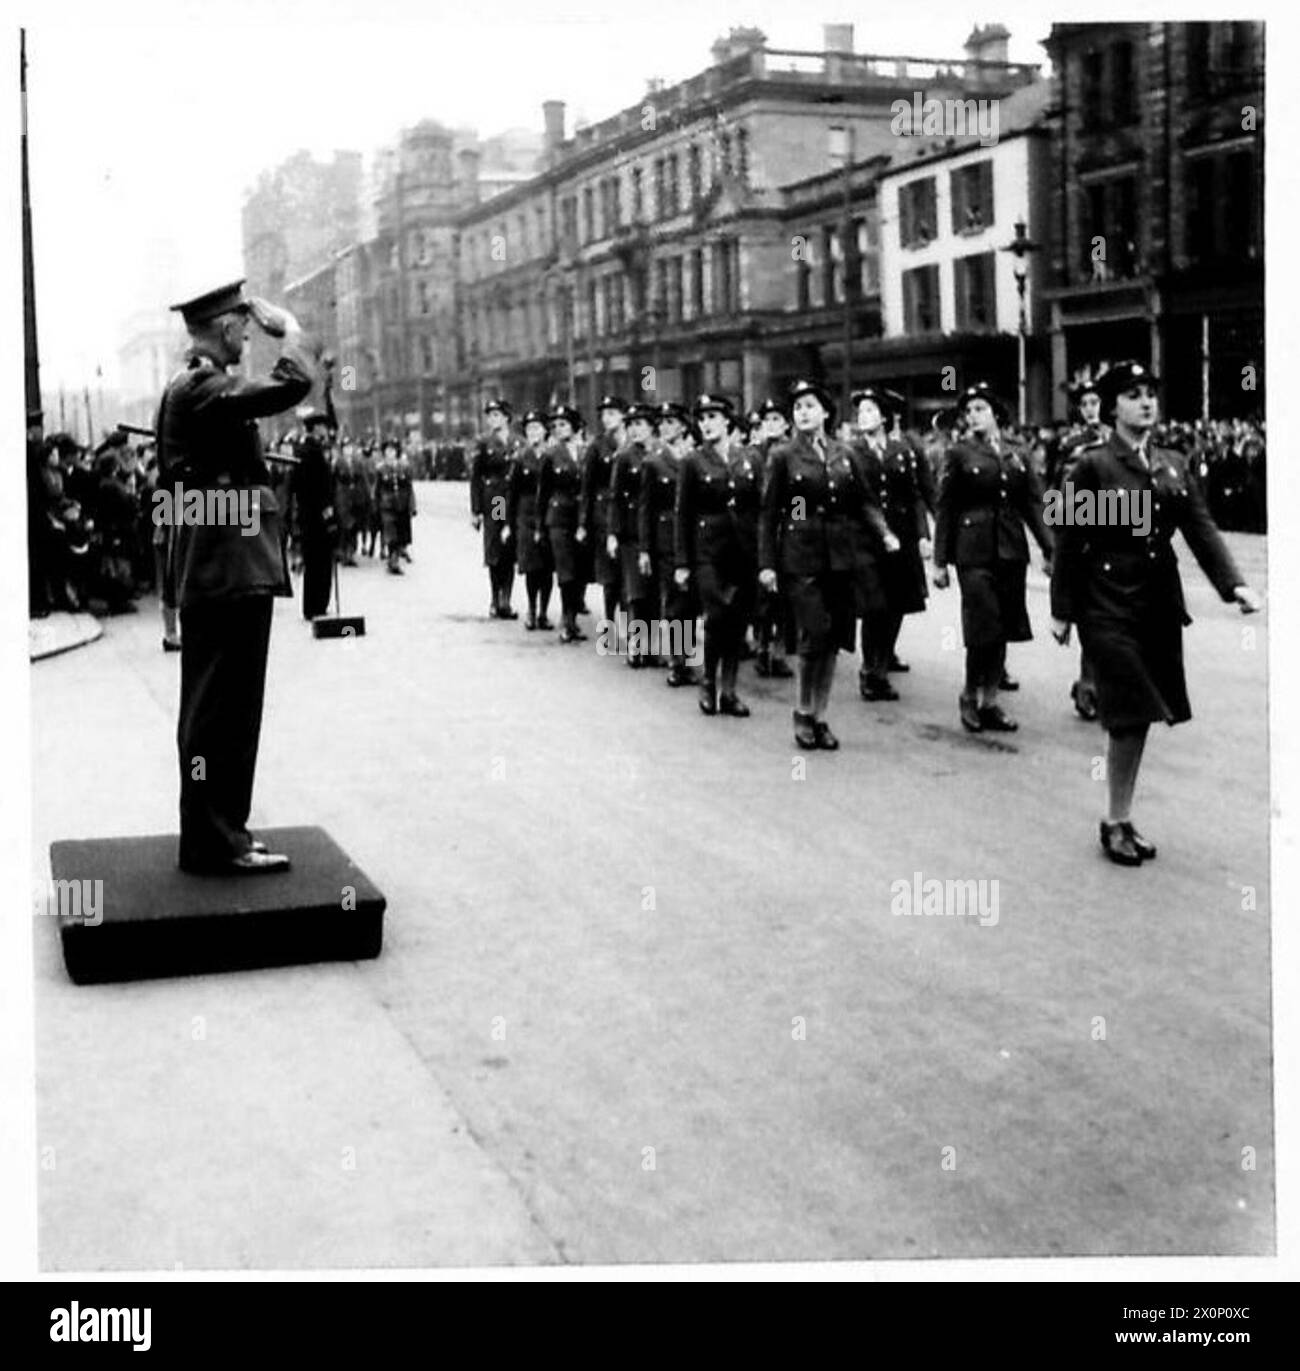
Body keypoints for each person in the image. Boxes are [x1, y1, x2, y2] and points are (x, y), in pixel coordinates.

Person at [1049, 361, 1263, 865]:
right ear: (1112, 407)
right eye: (1132, 394)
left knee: (1141, 716)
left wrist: (1236, 585)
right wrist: (1062, 610)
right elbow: (1069, 540)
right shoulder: (1092, 466)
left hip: (1156, 602)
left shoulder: (1172, 462)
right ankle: (1114, 820)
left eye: (1150, 393)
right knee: (1128, 714)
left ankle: (1121, 817)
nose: (1145, 402)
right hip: (1106, 603)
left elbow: (1201, 528)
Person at [156, 279, 317, 874]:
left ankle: (223, 834)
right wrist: (293, 332)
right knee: (220, 710)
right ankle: (216, 840)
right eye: (243, 329)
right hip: (226, 568)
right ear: (225, 328)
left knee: (223, 708)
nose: (248, 336)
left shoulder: (194, 387)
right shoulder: (202, 386)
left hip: (223, 564)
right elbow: (290, 385)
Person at [760, 379, 898, 749]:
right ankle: (803, 712)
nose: (802, 412)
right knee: (813, 635)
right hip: (801, 558)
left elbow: (864, 501)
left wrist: (884, 532)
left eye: (809, 406)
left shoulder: (844, 454)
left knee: (834, 639)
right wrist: (767, 564)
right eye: (797, 407)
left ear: (825, 412)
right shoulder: (783, 456)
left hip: (840, 557)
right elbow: (770, 515)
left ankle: (821, 716)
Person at [932, 381, 1052, 734]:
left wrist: (1050, 548)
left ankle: (990, 700)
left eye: (980, 409)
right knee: (982, 625)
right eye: (969, 411)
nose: (973, 416)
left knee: (1003, 626)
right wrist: (940, 561)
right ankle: (969, 694)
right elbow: (946, 507)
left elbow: (1033, 503)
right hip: (972, 551)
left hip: (1011, 548)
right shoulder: (958, 453)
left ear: (996, 413)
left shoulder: (1018, 451)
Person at [675, 394, 763, 718]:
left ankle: (729, 690)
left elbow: (760, 507)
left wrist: (765, 555)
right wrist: (683, 563)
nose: (707, 423)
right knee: (717, 616)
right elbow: (683, 513)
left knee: (738, 620)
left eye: (713, 417)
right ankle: (709, 682)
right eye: (702, 418)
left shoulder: (749, 458)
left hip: (742, 552)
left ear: (727, 420)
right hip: (707, 552)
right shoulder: (692, 461)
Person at [852, 386, 933, 701]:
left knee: (896, 602)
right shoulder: (852, 451)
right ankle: (870, 670)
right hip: (867, 538)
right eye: (860, 412)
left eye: (870, 410)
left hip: (901, 537)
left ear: (885, 417)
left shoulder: (902, 450)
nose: (864, 417)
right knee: (874, 605)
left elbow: (914, 495)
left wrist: (924, 534)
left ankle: (881, 664)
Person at [1051, 377, 1111, 720]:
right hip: (1082, 534)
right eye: (1085, 403)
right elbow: (1057, 488)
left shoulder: (1121, 439)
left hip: (1115, 530)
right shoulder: (1070, 444)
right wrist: (1057, 537)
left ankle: (1095, 683)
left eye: (1095, 402)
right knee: (1089, 614)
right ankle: (1089, 684)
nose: (1090, 409)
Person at [640, 402, 699, 687]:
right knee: (675, 600)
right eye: (661, 422)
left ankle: (686, 655)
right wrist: (645, 549)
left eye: (671, 422)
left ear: (684, 427)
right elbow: (645, 508)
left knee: (690, 601)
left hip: (692, 536)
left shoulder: (695, 457)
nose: (664, 427)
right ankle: (677, 662)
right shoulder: (653, 461)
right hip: (665, 538)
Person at [609, 403, 658, 667]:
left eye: (641, 424)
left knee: (655, 592)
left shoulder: (663, 453)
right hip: (631, 531)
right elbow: (615, 498)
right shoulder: (625, 457)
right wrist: (613, 533)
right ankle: (636, 645)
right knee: (635, 592)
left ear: (652, 426)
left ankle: (660, 647)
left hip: (658, 530)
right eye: (631, 425)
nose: (636, 430)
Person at [750, 398, 795, 681]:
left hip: (786, 529)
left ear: (786, 423)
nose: (771, 425)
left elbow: (800, 494)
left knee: (786, 596)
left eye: (777, 419)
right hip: (758, 529)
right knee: (762, 595)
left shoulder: (793, 453)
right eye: (767, 420)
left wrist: (798, 522)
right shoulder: (753, 454)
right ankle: (762, 646)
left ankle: (779, 651)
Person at [536, 405, 587, 642]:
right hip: (558, 518)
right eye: (555, 426)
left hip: (582, 518)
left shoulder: (587, 452)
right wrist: (539, 526)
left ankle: (574, 617)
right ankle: (567, 621)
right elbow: (542, 493)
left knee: (580, 570)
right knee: (565, 570)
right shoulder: (550, 454)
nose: (558, 429)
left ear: (575, 426)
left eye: (564, 424)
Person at [503, 408, 555, 630]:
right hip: (525, 515)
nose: (533, 432)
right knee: (531, 566)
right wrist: (506, 523)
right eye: (529, 428)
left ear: (545, 431)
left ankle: (544, 611)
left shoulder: (553, 454)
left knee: (548, 566)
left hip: (549, 515)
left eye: (537, 428)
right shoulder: (520, 457)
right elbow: (510, 493)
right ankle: (532, 610)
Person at [470, 398, 518, 617]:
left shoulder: (518, 442)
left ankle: (506, 598)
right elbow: (476, 478)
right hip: (497, 499)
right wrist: (476, 510)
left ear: (507, 417)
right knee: (496, 548)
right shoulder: (484, 443)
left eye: (496, 415)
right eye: (489, 416)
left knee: (510, 550)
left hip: (515, 499)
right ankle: (495, 597)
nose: (492, 420)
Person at [580, 395, 626, 624]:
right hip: (603, 516)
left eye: (612, 413)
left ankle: (631, 629)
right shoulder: (597, 446)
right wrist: (583, 522)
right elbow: (587, 487)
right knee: (610, 577)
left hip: (628, 514)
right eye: (604, 414)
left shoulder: (632, 443)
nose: (606, 419)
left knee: (628, 576)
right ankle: (609, 622)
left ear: (623, 415)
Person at [290, 409, 336, 619]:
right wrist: (326, 510)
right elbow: (317, 486)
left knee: (315, 560)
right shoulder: (312, 451)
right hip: (316, 514)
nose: (326, 430)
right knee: (320, 560)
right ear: (316, 428)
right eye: (323, 426)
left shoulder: (304, 449)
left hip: (309, 514)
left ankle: (313, 605)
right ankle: (316, 606)